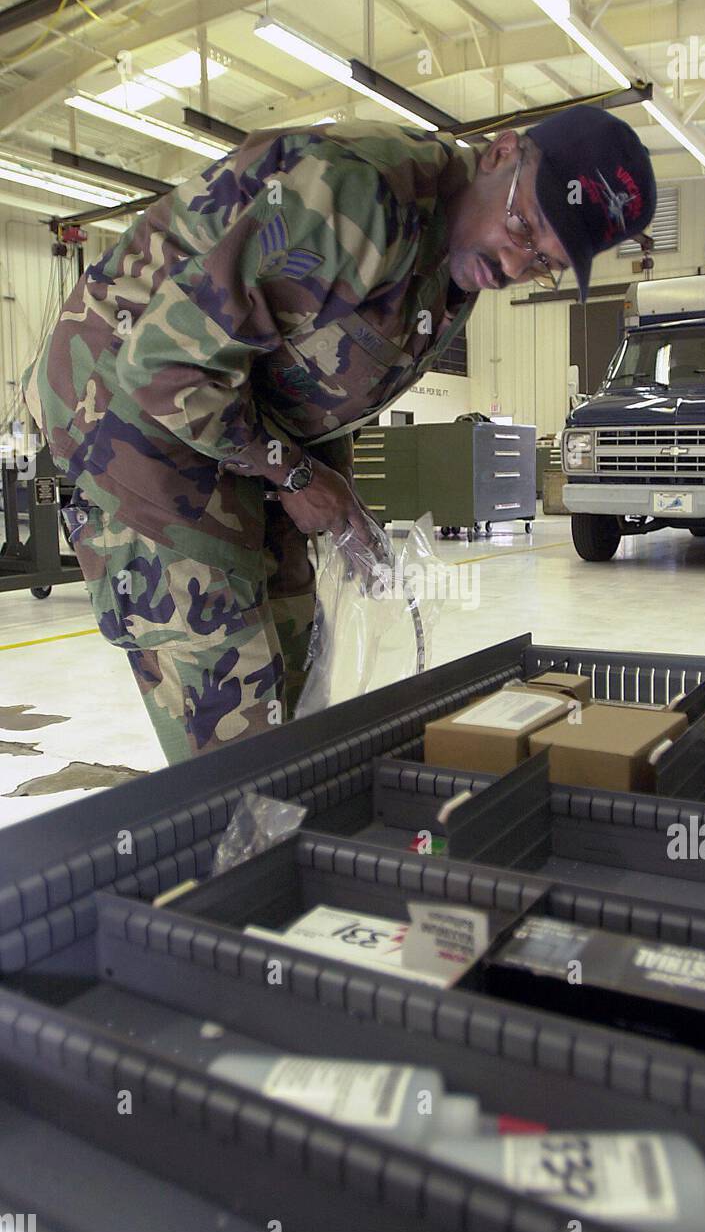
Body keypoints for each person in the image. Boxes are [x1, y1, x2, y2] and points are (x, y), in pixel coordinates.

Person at [22, 105, 656, 763]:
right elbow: (166, 365)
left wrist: (341, 504)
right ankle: (237, 841)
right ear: (498, 155)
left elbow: (320, 389)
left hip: (231, 418)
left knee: (302, 668)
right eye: (523, 225)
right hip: (129, 411)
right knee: (237, 710)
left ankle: (292, 826)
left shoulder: (458, 261)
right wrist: (295, 476)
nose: (514, 263)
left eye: (543, 264)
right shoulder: (361, 197)